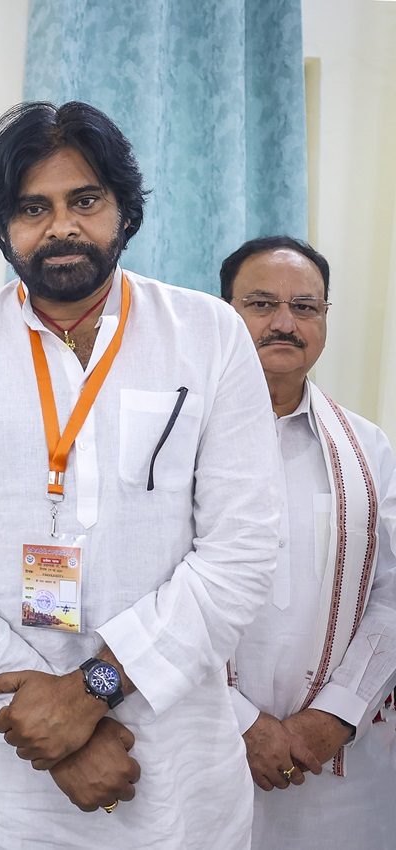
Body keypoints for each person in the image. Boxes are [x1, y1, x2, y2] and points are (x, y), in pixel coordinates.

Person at [0, 100, 281, 848]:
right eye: (33, 207)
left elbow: (242, 550)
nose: (61, 226)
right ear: (2, 225)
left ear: (124, 212)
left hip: (166, 762)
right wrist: (51, 720)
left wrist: (93, 690)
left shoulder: (208, 336)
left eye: (85, 201)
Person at [221, 236, 396, 849]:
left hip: (336, 768)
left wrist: (337, 712)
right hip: (207, 749)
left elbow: (392, 594)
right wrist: (242, 723)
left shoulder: (370, 450)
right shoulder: (174, 445)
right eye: (261, 304)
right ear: (223, 314)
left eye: (307, 307)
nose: (285, 324)